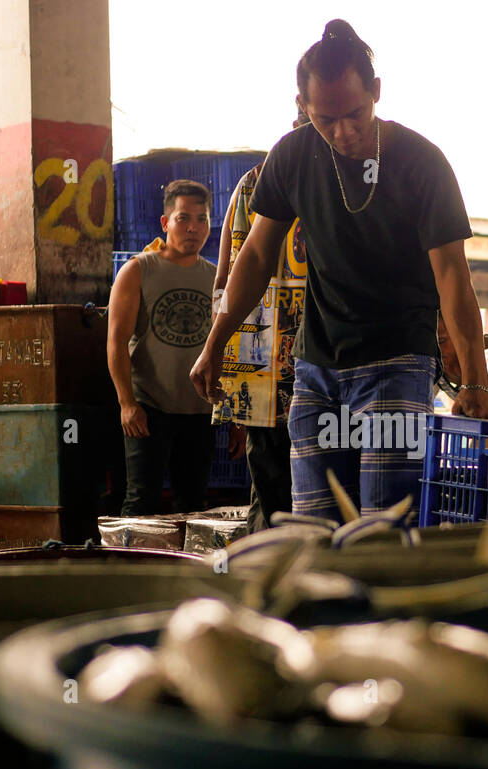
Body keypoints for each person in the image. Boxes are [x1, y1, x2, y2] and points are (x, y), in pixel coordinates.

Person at [190, 19, 488, 522]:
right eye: (324, 119)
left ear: (376, 92)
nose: (343, 132)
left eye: (354, 114)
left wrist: (476, 382)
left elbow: (452, 277)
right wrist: (215, 342)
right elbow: (257, 255)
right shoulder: (290, 157)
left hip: (396, 364)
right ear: (303, 106)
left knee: (382, 527)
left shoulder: (422, 163)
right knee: (314, 529)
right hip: (317, 369)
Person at [211, 108, 311, 534]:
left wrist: (220, 354)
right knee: (313, 492)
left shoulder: (248, 183)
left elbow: (223, 278)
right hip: (311, 365)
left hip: (258, 369)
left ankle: (263, 577)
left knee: (269, 491)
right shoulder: (332, 179)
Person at [107, 179, 217, 515]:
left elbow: (230, 349)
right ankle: (132, 566)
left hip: (200, 413)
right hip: (149, 409)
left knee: (194, 506)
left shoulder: (216, 277)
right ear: (165, 222)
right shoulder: (138, 270)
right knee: (141, 502)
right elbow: (115, 342)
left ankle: (187, 569)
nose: (194, 228)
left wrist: (236, 417)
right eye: (184, 218)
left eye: (202, 219)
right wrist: (127, 403)